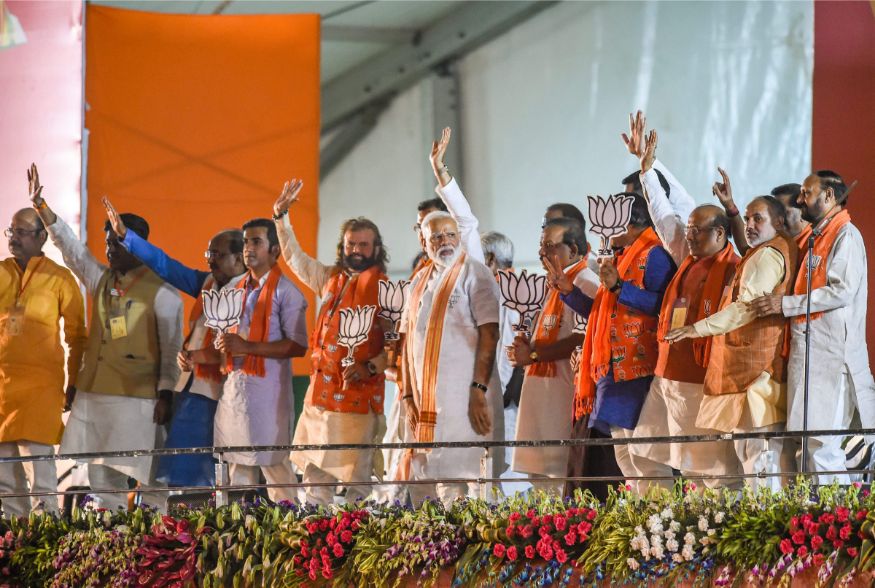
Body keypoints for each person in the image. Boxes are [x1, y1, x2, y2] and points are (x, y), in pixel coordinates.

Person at [31, 167, 182, 511]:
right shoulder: (101, 279)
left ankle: (153, 546)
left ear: (138, 245)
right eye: (107, 243)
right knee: (102, 480)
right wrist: (42, 207)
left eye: (116, 242)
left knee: (152, 477)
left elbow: (172, 350)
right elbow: (71, 249)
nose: (109, 249)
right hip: (96, 396)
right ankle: (110, 548)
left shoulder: (164, 293)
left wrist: (165, 395)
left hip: (142, 402)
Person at [102, 197, 246, 488]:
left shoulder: (252, 294)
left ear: (239, 258)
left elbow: (244, 344)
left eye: (217, 254)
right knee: (184, 465)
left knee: (211, 469)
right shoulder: (206, 282)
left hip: (225, 392)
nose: (209, 259)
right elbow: (165, 265)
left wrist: (201, 356)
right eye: (209, 252)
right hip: (190, 386)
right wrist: (126, 237)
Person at [628, 130, 743, 491]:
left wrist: (733, 207)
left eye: (697, 231)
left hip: (703, 379)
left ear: (722, 234)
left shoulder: (735, 269)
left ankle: (713, 539)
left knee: (709, 471)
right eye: (689, 229)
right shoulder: (686, 257)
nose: (688, 236)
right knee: (644, 452)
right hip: (668, 374)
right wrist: (647, 171)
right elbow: (665, 215)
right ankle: (665, 529)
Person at [750, 170, 875, 482]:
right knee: (807, 450)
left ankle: (836, 526)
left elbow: (841, 291)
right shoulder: (816, 238)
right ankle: (814, 525)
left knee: (823, 449)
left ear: (829, 196)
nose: (799, 199)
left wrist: (785, 305)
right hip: (808, 362)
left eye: (806, 192)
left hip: (831, 363)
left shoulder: (846, 235)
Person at [668, 194, 797, 489]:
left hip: (755, 377)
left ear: (778, 222)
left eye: (757, 219)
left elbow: (745, 308)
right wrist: (732, 207)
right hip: (752, 373)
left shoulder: (767, 255)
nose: (749, 225)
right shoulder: (769, 249)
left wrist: (696, 329)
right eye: (747, 219)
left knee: (758, 459)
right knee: (754, 456)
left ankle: (765, 531)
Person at [273, 179, 389, 505]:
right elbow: (295, 258)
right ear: (342, 246)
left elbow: (396, 342)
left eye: (364, 245)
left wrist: (370, 366)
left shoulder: (385, 288)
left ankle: (354, 542)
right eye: (351, 244)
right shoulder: (329, 279)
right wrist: (281, 218)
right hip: (320, 396)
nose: (356, 250)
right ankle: (315, 539)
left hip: (359, 397)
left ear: (376, 249)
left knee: (358, 477)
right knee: (314, 473)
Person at [569, 193, 675, 496]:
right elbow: (605, 311)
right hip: (613, 369)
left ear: (628, 221)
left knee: (647, 457)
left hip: (637, 367)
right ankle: (640, 524)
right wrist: (568, 291)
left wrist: (619, 287)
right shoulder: (621, 255)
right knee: (625, 457)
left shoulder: (653, 254)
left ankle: (659, 524)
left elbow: (662, 307)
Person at [400, 211, 502, 504]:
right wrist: (407, 395)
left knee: (480, 486)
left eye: (450, 234)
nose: (444, 241)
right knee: (442, 486)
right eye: (436, 236)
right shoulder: (418, 281)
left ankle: (484, 551)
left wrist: (478, 389)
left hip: (468, 399)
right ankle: (446, 548)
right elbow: (409, 341)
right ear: (423, 241)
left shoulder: (475, 273)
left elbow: (489, 333)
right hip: (426, 404)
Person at [0, 193, 86, 516]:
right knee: (5, 479)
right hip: (2, 388)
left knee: (41, 476)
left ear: (41, 237)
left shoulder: (60, 278)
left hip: (41, 389)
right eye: (11, 231)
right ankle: (13, 544)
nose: (14, 238)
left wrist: (73, 382)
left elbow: (78, 337)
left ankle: (44, 540)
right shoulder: (1, 272)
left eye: (22, 231)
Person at [212, 216, 309, 502]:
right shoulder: (233, 290)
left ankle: (290, 533)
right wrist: (224, 344)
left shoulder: (286, 292)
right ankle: (236, 535)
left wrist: (247, 346)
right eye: (245, 242)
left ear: (275, 250)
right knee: (238, 468)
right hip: (235, 391)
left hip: (269, 395)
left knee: (275, 467)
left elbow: (297, 345)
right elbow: (226, 336)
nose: (248, 249)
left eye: (256, 242)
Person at [509, 218, 588, 494]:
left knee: (558, 486)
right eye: (541, 246)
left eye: (550, 246)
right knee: (542, 487)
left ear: (574, 250)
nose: (542, 254)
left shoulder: (585, 281)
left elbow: (582, 338)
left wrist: (532, 353)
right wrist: (525, 346)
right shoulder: (550, 284)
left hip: (561, 402)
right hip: (539, 402)